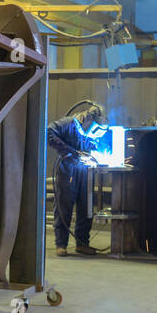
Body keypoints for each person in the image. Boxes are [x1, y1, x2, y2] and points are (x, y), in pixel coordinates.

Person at [47, 106, 104, 256]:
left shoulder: (93, 130)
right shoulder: (68, 123)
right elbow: (48, 132)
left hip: (86, 170)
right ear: (88, 118)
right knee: (64, 205)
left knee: (87, 206)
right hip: (68, 169)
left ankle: (82, 243)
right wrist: (66, 150)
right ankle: (61, 244)